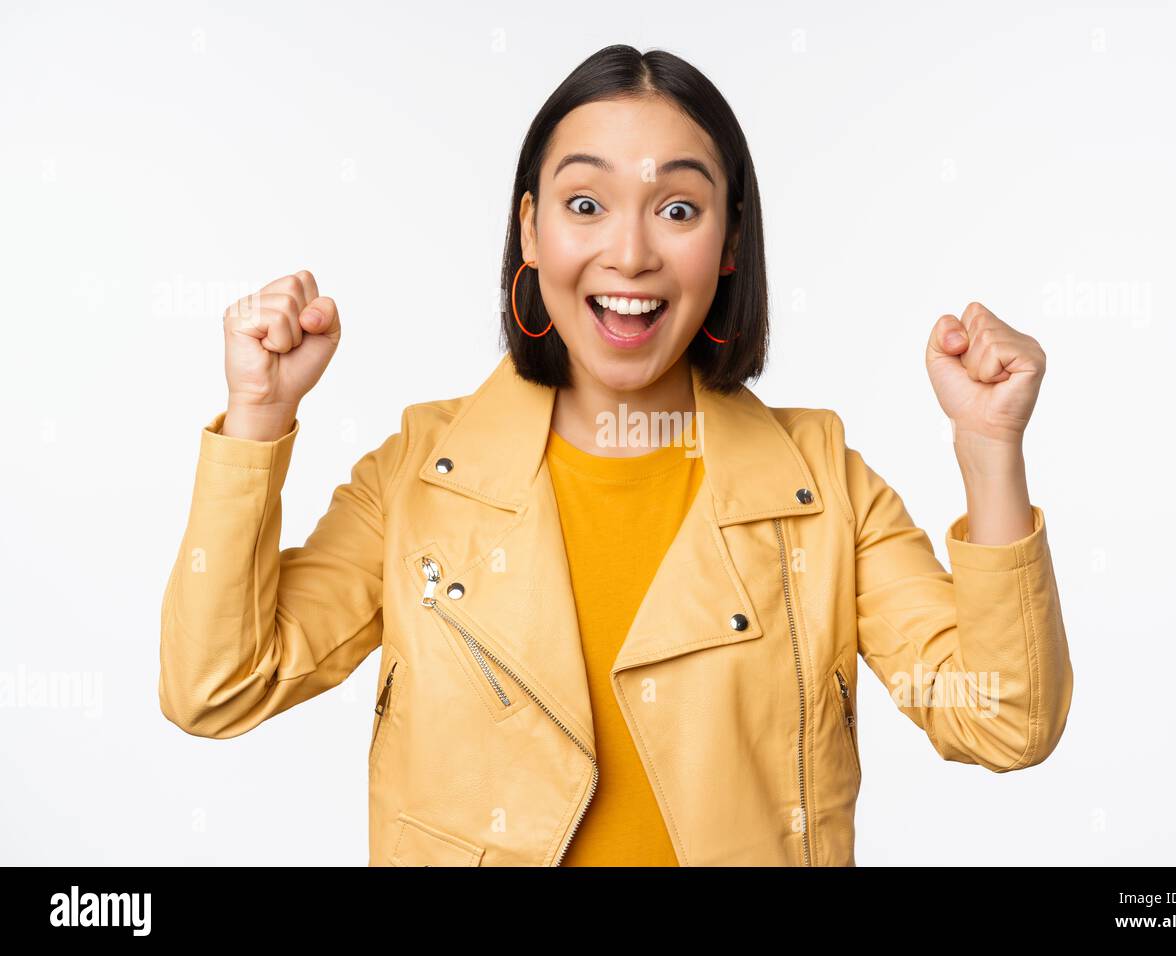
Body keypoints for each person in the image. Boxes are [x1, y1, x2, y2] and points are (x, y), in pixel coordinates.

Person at [159, 44, 1073, 867]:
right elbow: (216, 687)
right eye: (585, 204)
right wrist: (258, 417)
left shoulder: (823, 486)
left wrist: (989, 448)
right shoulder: (417, 477)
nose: (629, 254)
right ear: (530, 230)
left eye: (678, 208)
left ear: (729, 245)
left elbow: (1005, 720)